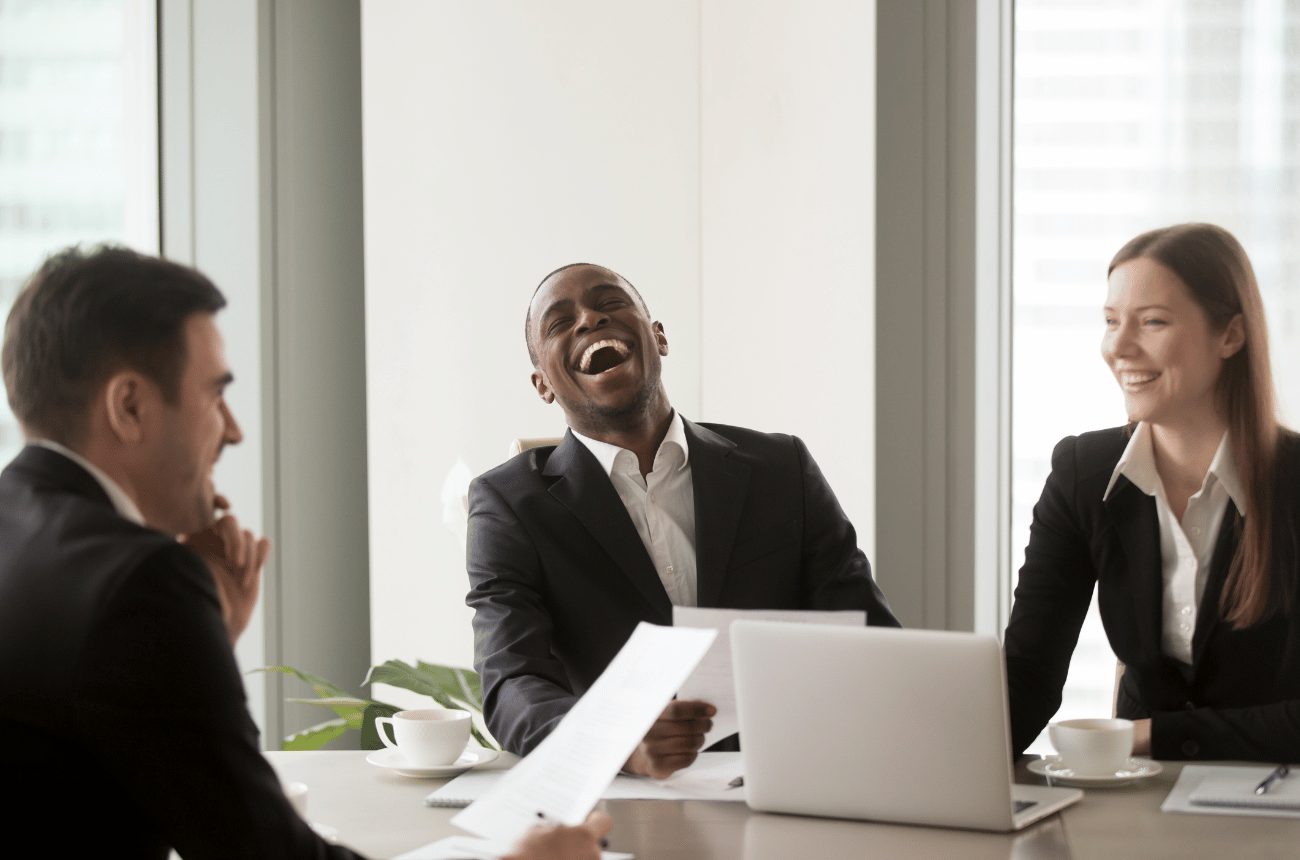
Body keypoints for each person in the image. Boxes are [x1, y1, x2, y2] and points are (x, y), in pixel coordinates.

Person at [0, 246, 609, 860]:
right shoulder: (139, 584)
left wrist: (204, 640)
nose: (233, 431)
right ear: (130, 407)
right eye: (215, 395)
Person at [467, 262, 899, 776]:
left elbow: (869, 639)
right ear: (542, 385)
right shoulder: (506, 504)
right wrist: (615, 743)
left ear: (659, 338)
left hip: (791, 778)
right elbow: (512, 682)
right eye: (560, 323)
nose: (588, 320)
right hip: (627, 806)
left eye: (610, 304)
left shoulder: (782, 468)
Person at [1004, 223, 1300, 763]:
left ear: (1230, 335)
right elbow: (1027, 675)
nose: (1118, 347)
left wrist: (1149, 737)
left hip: (1274, 803)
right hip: (1137, 799)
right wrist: (948, 763)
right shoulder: (1083, 473)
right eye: (1112, 322)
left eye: (1153, 322)